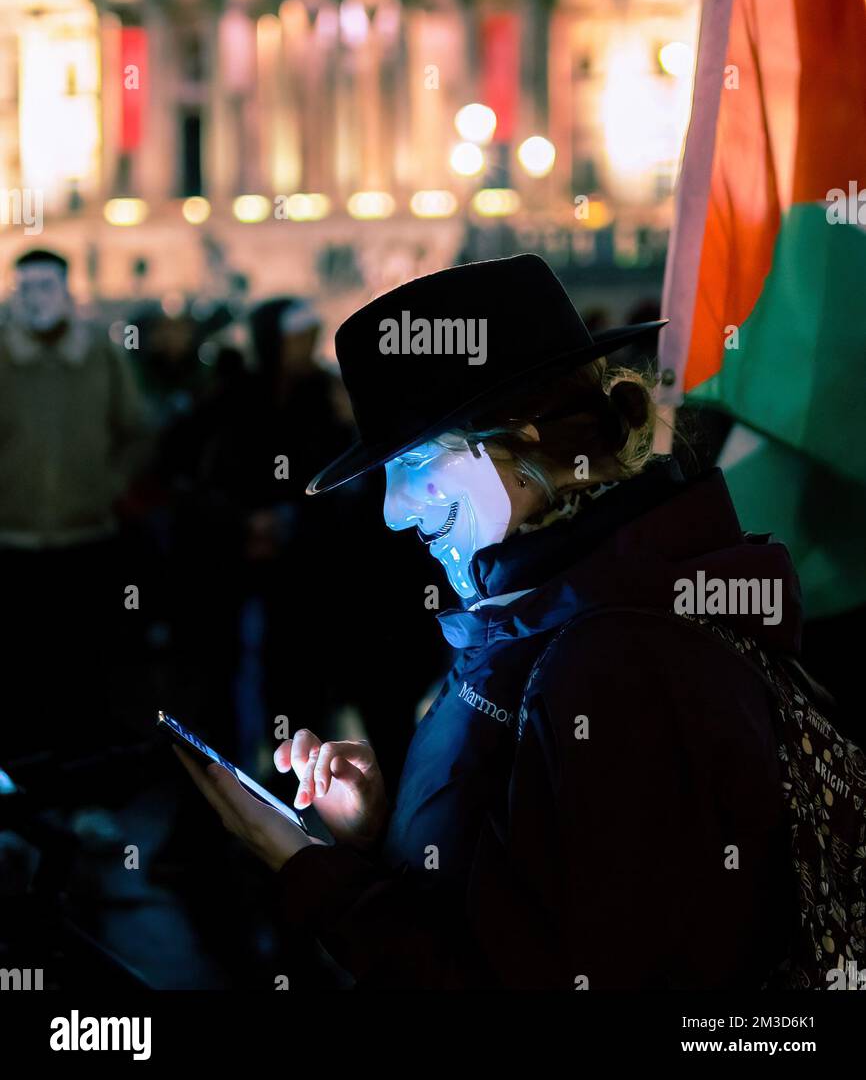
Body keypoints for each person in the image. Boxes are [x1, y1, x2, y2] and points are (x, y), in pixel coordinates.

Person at [177, 253, 805, 989]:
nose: (391, 510)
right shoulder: (541, 605)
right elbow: (518, 898)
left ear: (524, 441)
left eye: (412, 463)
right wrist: (390, 832)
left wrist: (303, 867)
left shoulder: (615, 663)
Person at [0, 248, 150, 763]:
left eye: (46, 286)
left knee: (84, 668)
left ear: (67, 291)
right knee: (19, 671)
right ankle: (25, 787)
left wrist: (108, 483)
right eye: (26, 287)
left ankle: (83, 787)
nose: (36, 298)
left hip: (88, 538)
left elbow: (134, 431)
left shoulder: (102, 357)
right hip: (12, 541)